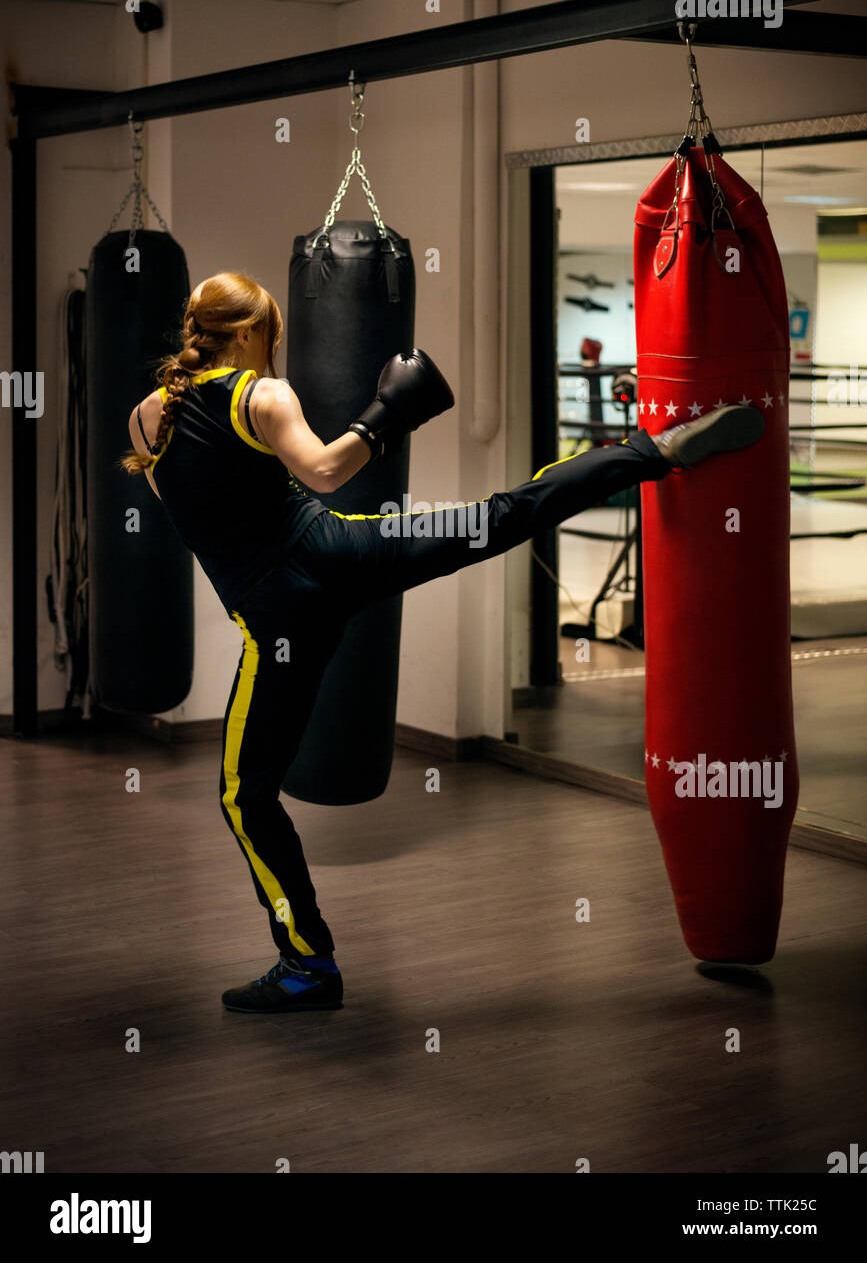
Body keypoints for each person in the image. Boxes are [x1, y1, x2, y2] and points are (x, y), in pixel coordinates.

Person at [123, 271, 764, 1014]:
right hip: (340, 555)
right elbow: (326, 472)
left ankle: (307, 964)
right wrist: (386, 413)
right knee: (496, 517)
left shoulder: (144, 420)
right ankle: (652, 453)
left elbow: (202, 518)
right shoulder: (263, 396)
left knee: (245, 795)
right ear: (253, 333)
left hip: (277, 621)